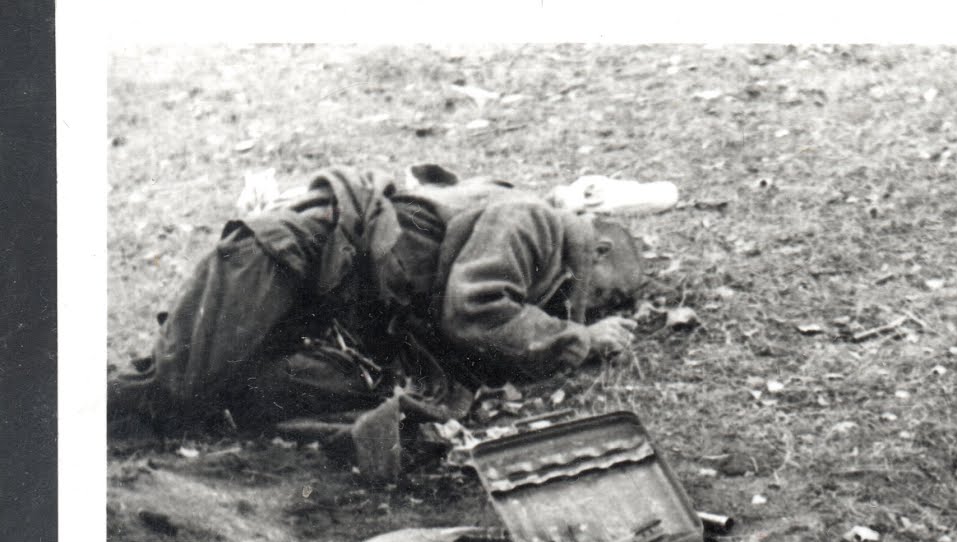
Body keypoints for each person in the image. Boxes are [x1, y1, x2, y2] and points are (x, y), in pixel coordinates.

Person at [108, 163, 646, 430]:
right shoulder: (534, 221)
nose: (590, 302)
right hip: (284, 255)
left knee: (235, 397)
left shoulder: (538, 241)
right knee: (175, 389)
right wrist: (579, 337)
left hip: (328, 296)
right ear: (595, 249)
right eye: (602, 294)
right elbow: (474, 312)